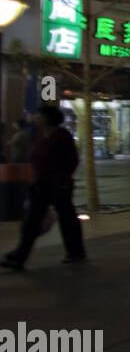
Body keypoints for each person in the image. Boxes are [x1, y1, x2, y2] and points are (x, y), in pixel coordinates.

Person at [2, 105, 87, 271]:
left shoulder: (62, 136)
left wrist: (61, 181)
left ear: (47, 118)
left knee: (67, 219)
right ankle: (20, 255)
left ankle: (75, 252)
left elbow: (71, 161)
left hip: (59, 185)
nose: (35, 118)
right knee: (31, 221)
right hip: (41, 185)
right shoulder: (41, 135)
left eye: (38, 115)